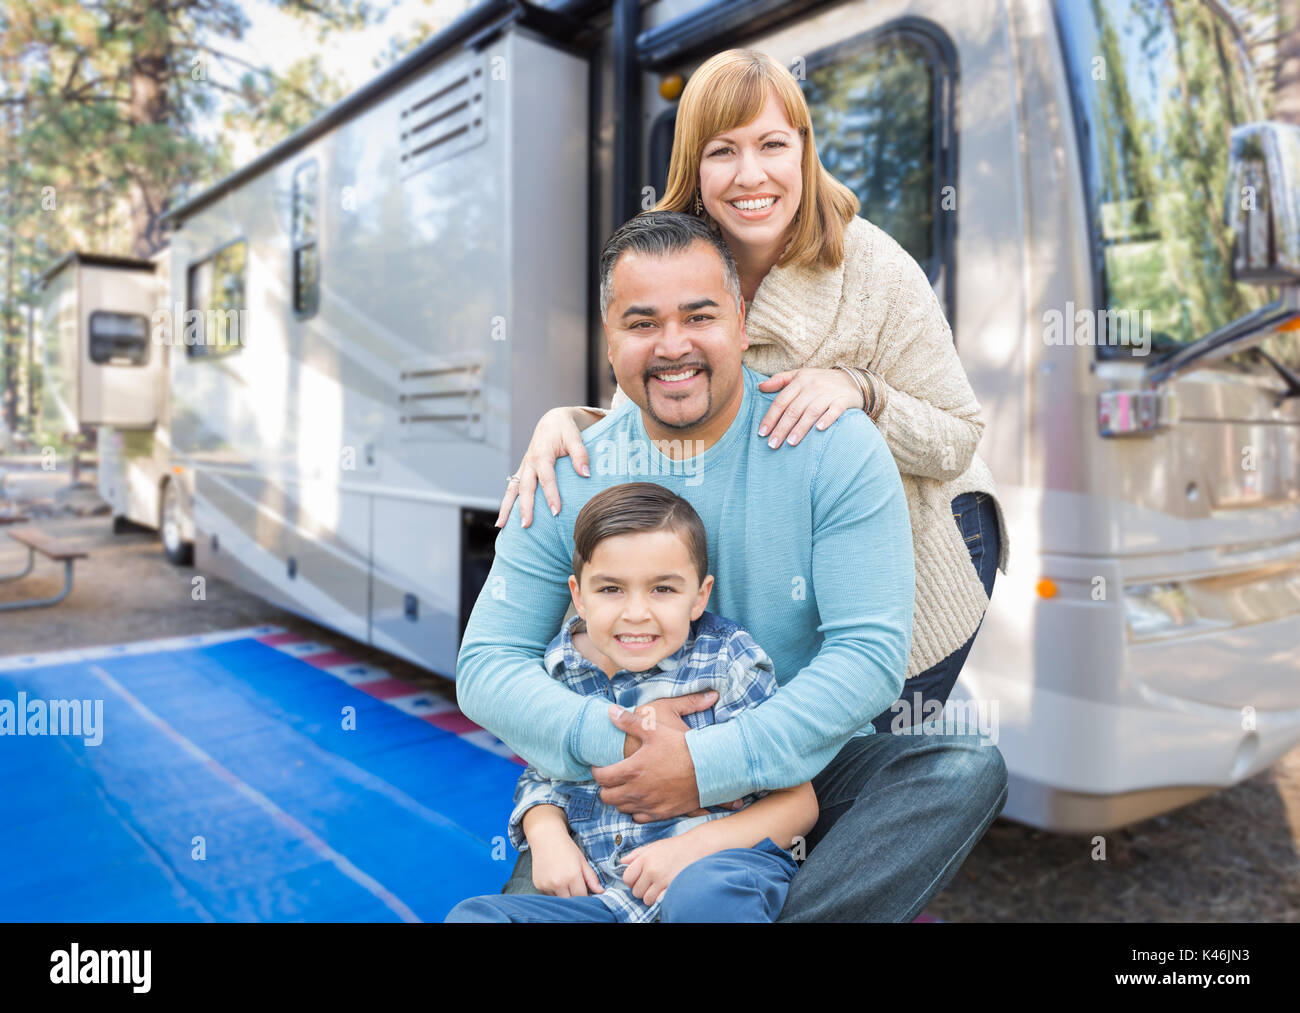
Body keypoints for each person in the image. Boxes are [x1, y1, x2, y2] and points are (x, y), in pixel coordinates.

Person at [456, 210, 1007, 921]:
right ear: (610, 337)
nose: (673, 344)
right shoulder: (569, 467)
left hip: (790, 765)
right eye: (643, 322)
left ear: (742, 321)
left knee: (961, 765)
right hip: (614, 781)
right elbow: (487, 665)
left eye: (699, 315)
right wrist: (626, 741)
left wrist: (706, 763)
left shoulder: (830, 443)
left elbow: (869, 656)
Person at [497, 49, 1007, 734]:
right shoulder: (681, 257)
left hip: (929, 532)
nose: (751, 174)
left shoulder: (874, 268)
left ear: (803, 151)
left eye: (772, 144)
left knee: (853, 751)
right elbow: (659, 395)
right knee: (769, 744)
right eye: (722, 151)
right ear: (693, 168)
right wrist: (570, 419)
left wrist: (863, 391)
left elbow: (957, 435)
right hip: (799, 553)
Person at [446, 483, 816, 923]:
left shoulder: (727, 661)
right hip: (605, 895)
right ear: (578, 596)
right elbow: (544, 774)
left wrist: (690, 849)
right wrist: (546, 835)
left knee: (704, 899)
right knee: (474, 916)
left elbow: (799, 802)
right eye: (611, 589)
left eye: (662, 589)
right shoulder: (562, 668)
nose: (636, 612)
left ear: (699, 595)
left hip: (716, 869)